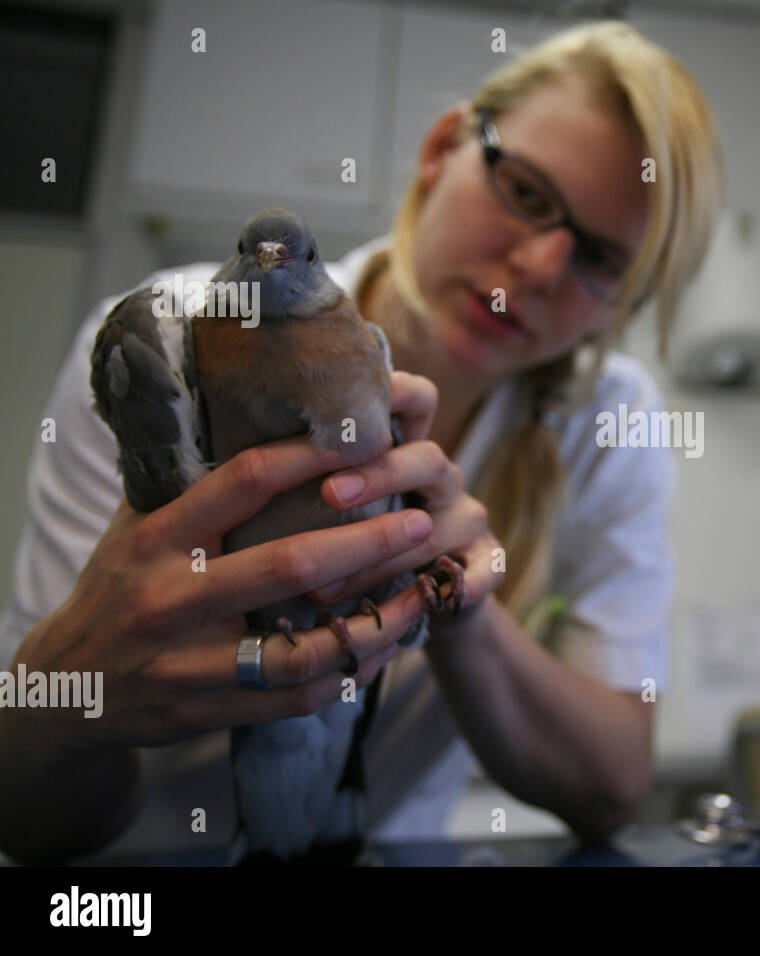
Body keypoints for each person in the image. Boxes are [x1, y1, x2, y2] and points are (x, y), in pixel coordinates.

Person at [0, 20, 723, 864]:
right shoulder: (169, 339)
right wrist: (64, 700)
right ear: (442, 148)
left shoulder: (612, 421)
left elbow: (612, 787)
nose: (538, 265)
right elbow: (30, 821)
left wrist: (456, 606)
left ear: (621, 305)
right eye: (526, 192)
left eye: (600, 258)